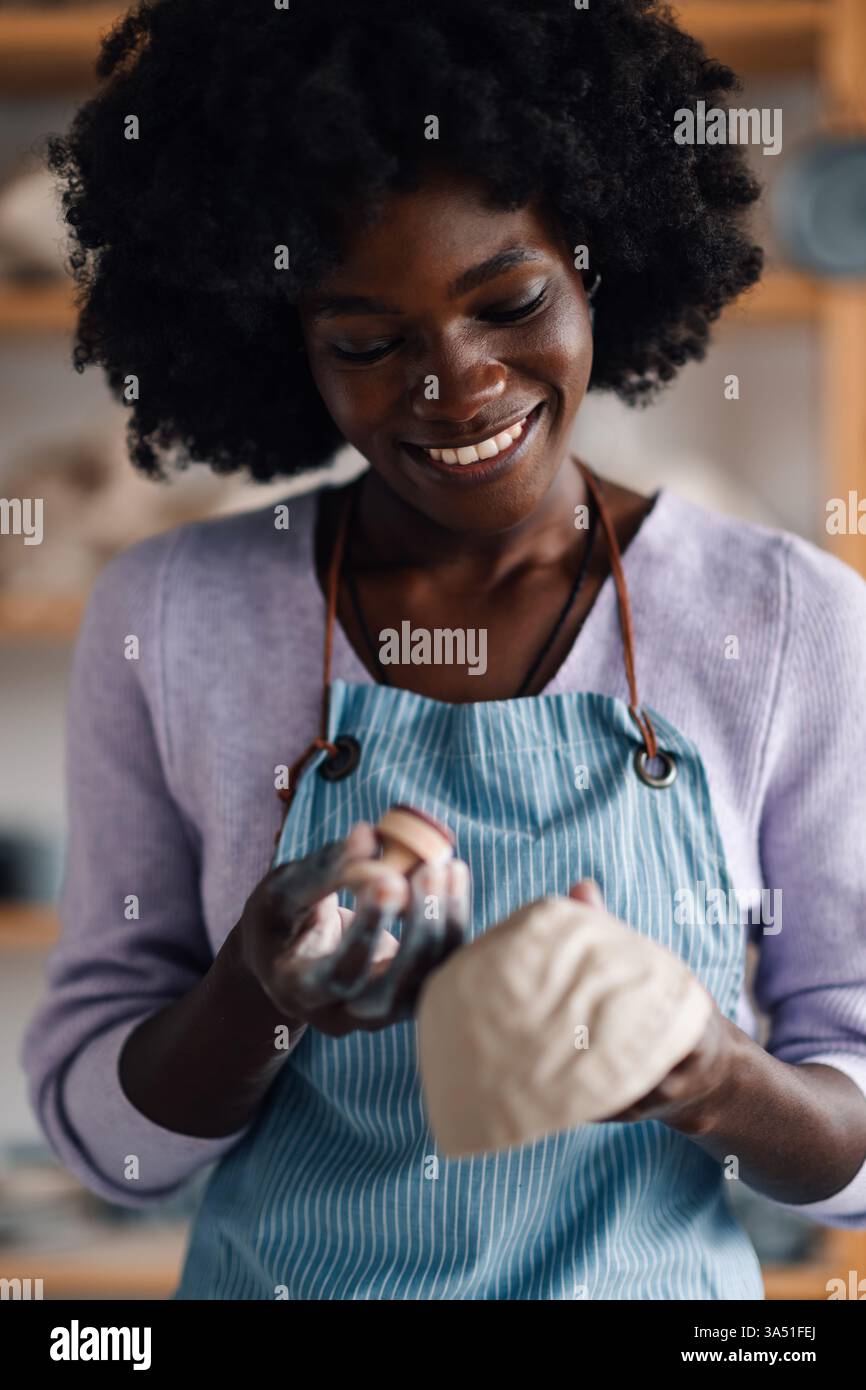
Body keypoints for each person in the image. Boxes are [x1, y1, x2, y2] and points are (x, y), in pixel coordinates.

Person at [22, 0, 866, 1300]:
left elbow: (851, 1140)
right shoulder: (171, 615)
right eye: (369, 340)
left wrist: (708, 1072)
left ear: (604, 267)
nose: (456, 381)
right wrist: (260, 984)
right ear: (280, 344)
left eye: (510, 300)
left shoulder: (785, 618)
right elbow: (114, 1147)